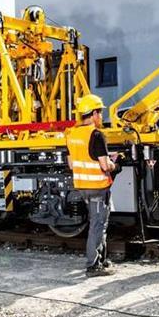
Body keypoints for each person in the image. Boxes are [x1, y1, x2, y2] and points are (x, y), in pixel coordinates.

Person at [66, 94, 120, 277]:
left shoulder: (72, 134)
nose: (101, 116)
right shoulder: (96, 135)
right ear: (95, 113)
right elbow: (105, 166)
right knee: (98, 225)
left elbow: (72, 164)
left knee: (98, 223)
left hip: (83, 187)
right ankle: (93, 265)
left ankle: (102, 260)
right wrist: (115, 164)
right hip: (98, 187)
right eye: (100, 112)